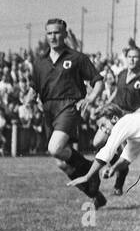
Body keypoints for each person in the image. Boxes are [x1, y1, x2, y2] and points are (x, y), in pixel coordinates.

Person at [28, 17, 106, 207]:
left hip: (69, 107)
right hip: (48, 110)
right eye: (49, 33)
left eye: (56, 32)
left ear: (64, 34)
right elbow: (34, 88)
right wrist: (28, 98)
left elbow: (98, 81)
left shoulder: (77, 58)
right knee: (62, 162)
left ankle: (89, 167)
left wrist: (90, 98)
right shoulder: (39, 63)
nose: (53, 36)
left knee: (55, 148)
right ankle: (94, 194)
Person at [89, 44, 140, 194]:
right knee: (97, 141)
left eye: (135, 57)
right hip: (115, 114)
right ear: (126, 58)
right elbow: (117, 91)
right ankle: (116, 164)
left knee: (125, 154)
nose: (132, 60)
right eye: (130, 57)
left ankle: (119, 182)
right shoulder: (122, 74)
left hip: (129, 119)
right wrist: (105, 105)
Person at [68, 105, 140, 196]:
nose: (104, 130)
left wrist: (87, 177)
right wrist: (113, 168)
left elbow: (107, 151)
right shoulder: (133, 128)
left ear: (114, 118)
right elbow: (126, 158)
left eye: (103, 125)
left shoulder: (123, 123)